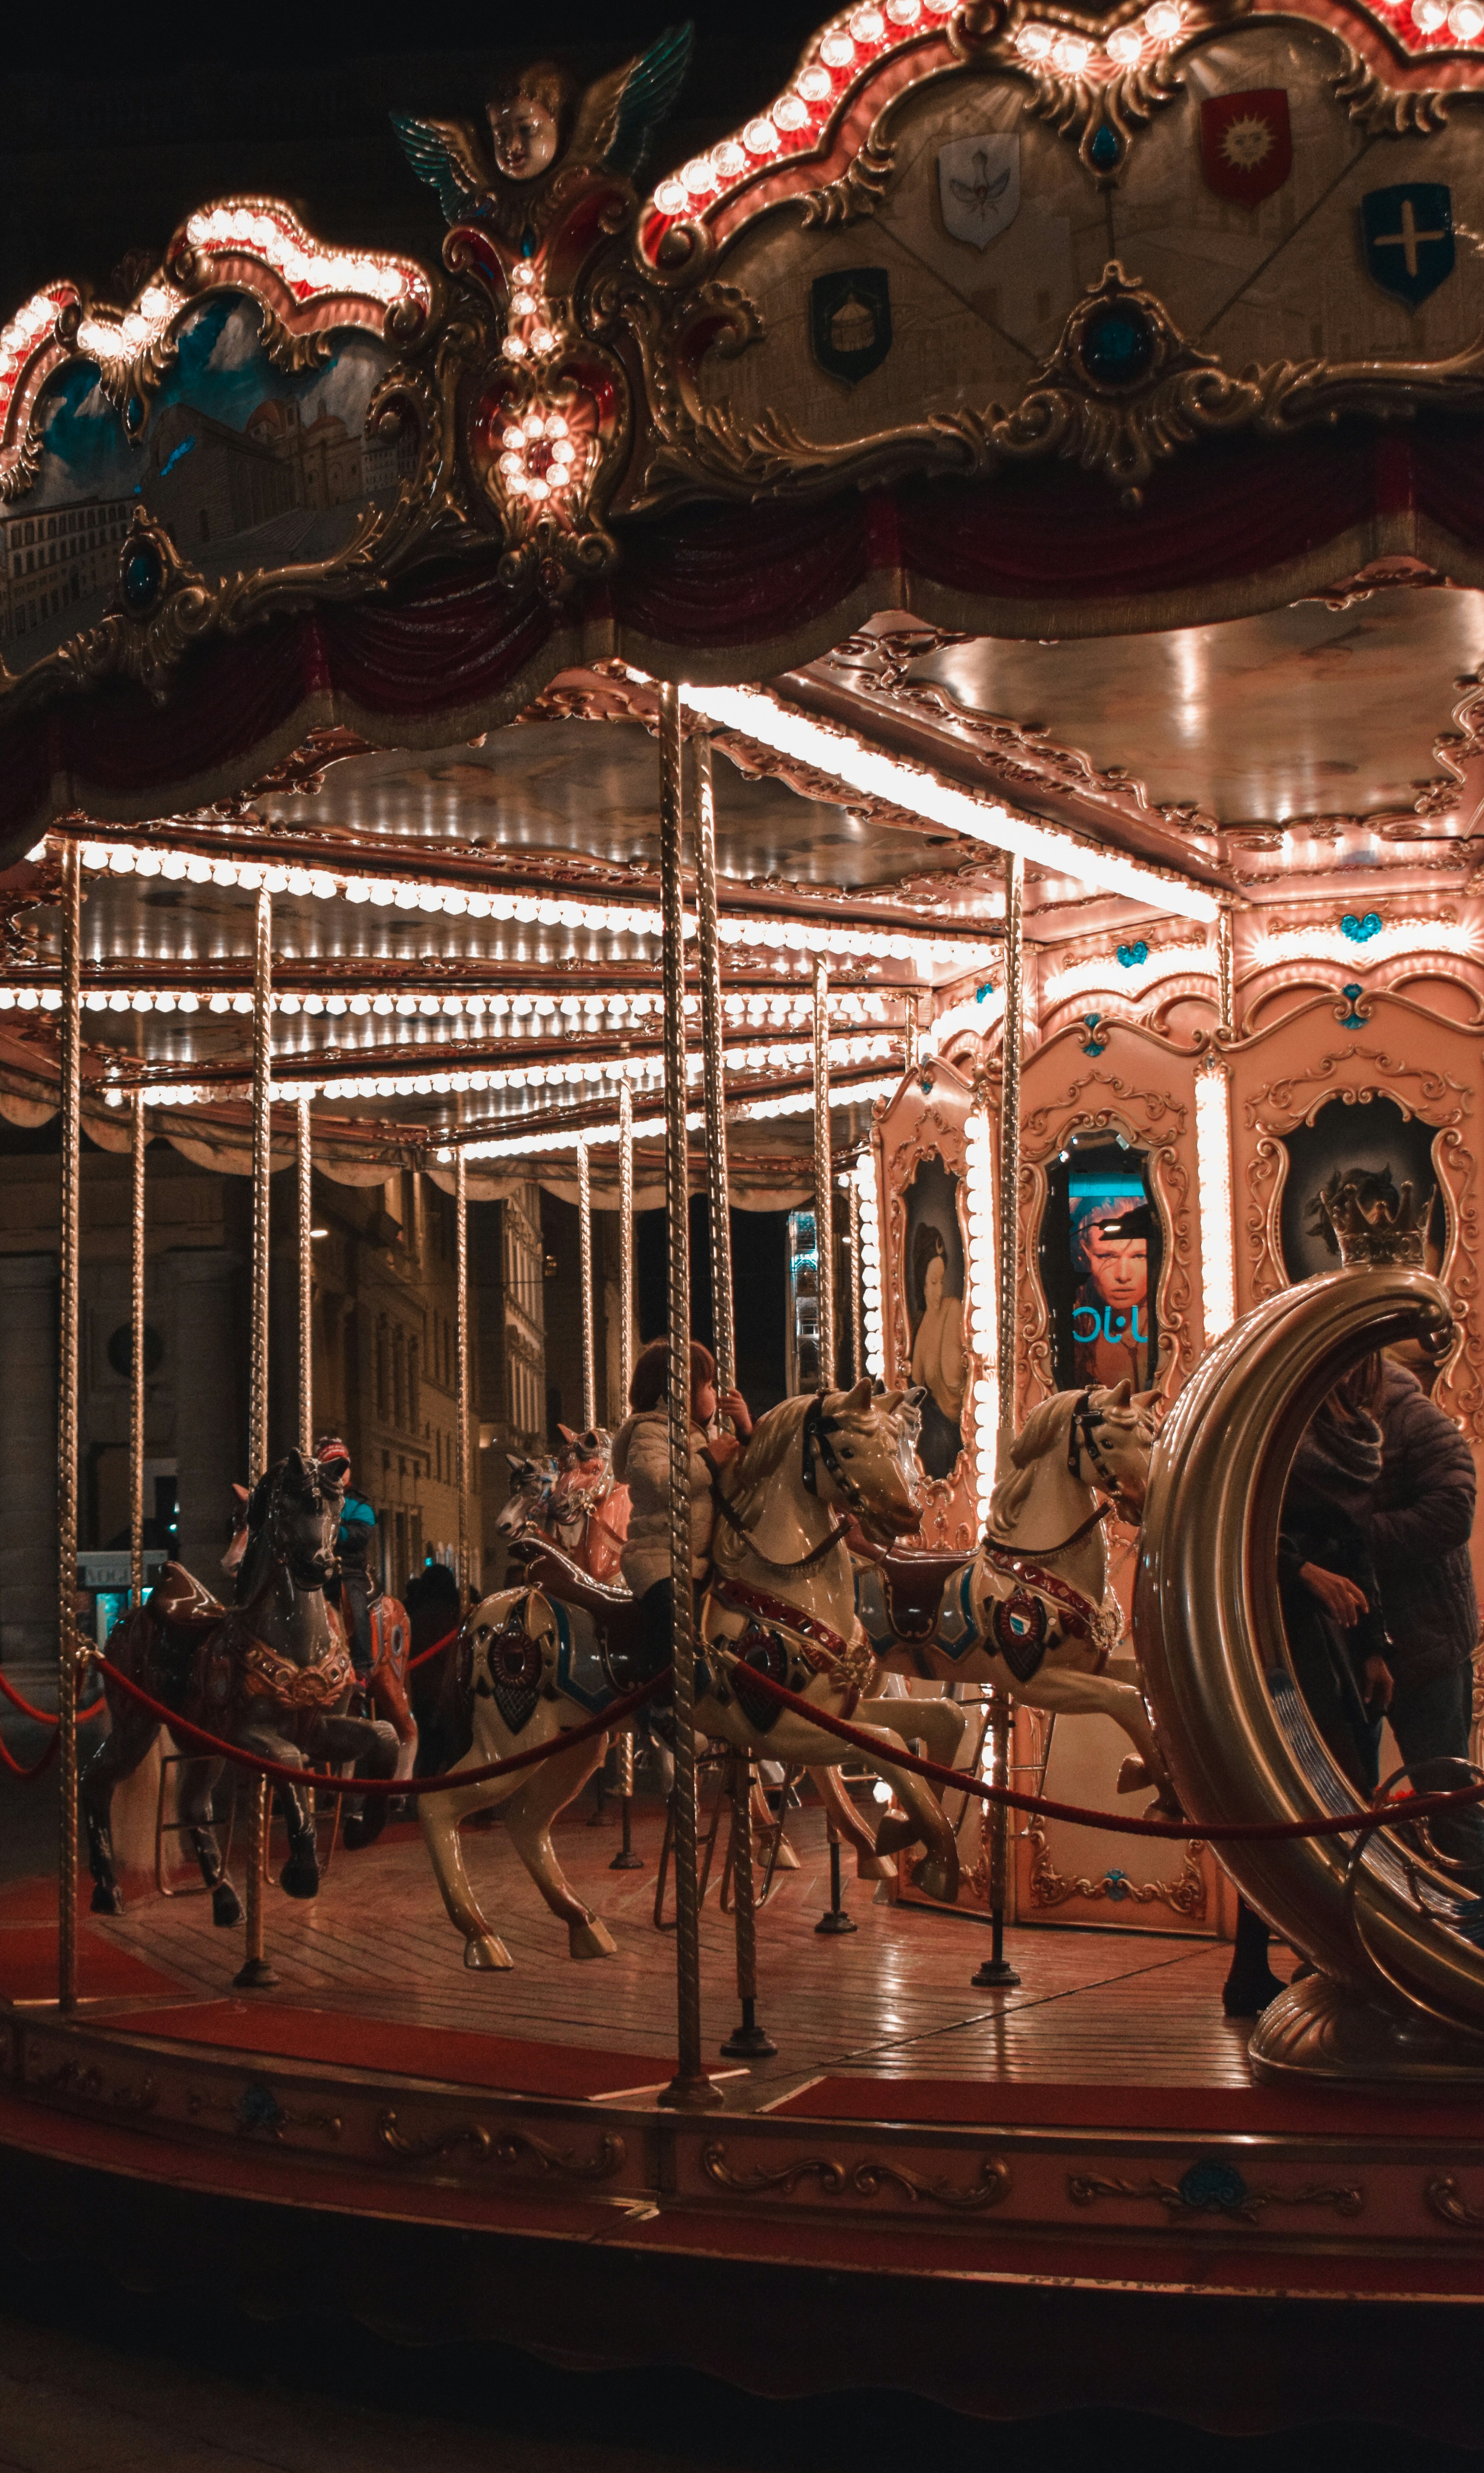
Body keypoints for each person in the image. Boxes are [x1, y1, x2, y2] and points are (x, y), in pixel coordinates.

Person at [1224, 1367, 1395, 2017]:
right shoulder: (1272, 1431)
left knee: (1338, 1793)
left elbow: (1357, 1545)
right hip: (1278, 1631)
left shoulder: (1352, 1434)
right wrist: (1300, 1571)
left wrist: (1377, 1645)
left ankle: (1300, 1955)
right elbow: (1235, 1522)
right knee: (1298, 1793)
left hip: (1334, 1639)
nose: (1355, 1371)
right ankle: (1289, 1955)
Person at [1362, 1351, 1484, 1892]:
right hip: (1354, 1640)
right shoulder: (1327, 1420)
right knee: (1338, 1800)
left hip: (1425, 1638)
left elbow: (1451, 1511)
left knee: (1446, 1799)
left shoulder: (1411, 1416)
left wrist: (1353, 1542)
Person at [611, 1340, 751, 1677]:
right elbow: (659, 1482)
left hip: (700, 1562)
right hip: (659, 1558)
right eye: (708, 1385)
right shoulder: (649, 1431)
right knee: (681, 1642)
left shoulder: (705, 1436)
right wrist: (708, 1461)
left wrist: (746, 1431)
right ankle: (661, 1705)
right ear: (679, 1390)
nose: (715, 1393)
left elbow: (742, 1483)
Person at [314, 1432, 380, 1676]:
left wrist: (336, 1533)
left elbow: (363, 1533)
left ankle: (362, 1665)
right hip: (320, 1569)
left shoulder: (357, 1503)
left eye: (344, 1467)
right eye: (334, 1467)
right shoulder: (316, 1501)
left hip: (349, 1570)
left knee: (356, 1604)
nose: (341, 1473)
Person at [909, 1225, 964, 1477]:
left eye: (942, 1281)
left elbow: (954, 1377)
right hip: (936, 1425)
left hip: (959, 1425)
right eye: (932, 1283)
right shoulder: (921, 1326)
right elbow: (917, 1380)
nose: (939, 1290)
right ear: (921, 1283)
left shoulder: (953, 1309)